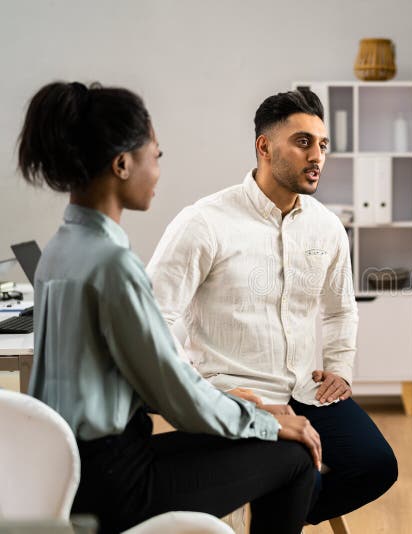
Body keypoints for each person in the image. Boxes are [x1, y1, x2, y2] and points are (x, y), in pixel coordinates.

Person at [20, 81, 321, 534]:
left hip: (70, 468)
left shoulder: (61, 249)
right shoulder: (112, 263)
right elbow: (173, 393)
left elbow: (139, 379)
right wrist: (260, 421)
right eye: (155, 156)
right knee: (294, 454)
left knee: (265, 434)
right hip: (117, 485)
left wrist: (233, 404)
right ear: (123, 164)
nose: (159, 172)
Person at [145, 87, 397, 524]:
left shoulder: (327, 228)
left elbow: (340, 309)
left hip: (305, 390)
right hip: (236, 392)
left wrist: (339, 367)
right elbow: (154, 317)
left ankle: (281, 509)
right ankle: (279, 502)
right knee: (296, 471)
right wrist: (199, 389)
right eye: (303, 142)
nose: (317, 156)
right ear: (264, 147)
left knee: (376, 466)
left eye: (323, 145)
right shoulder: (204, 222)